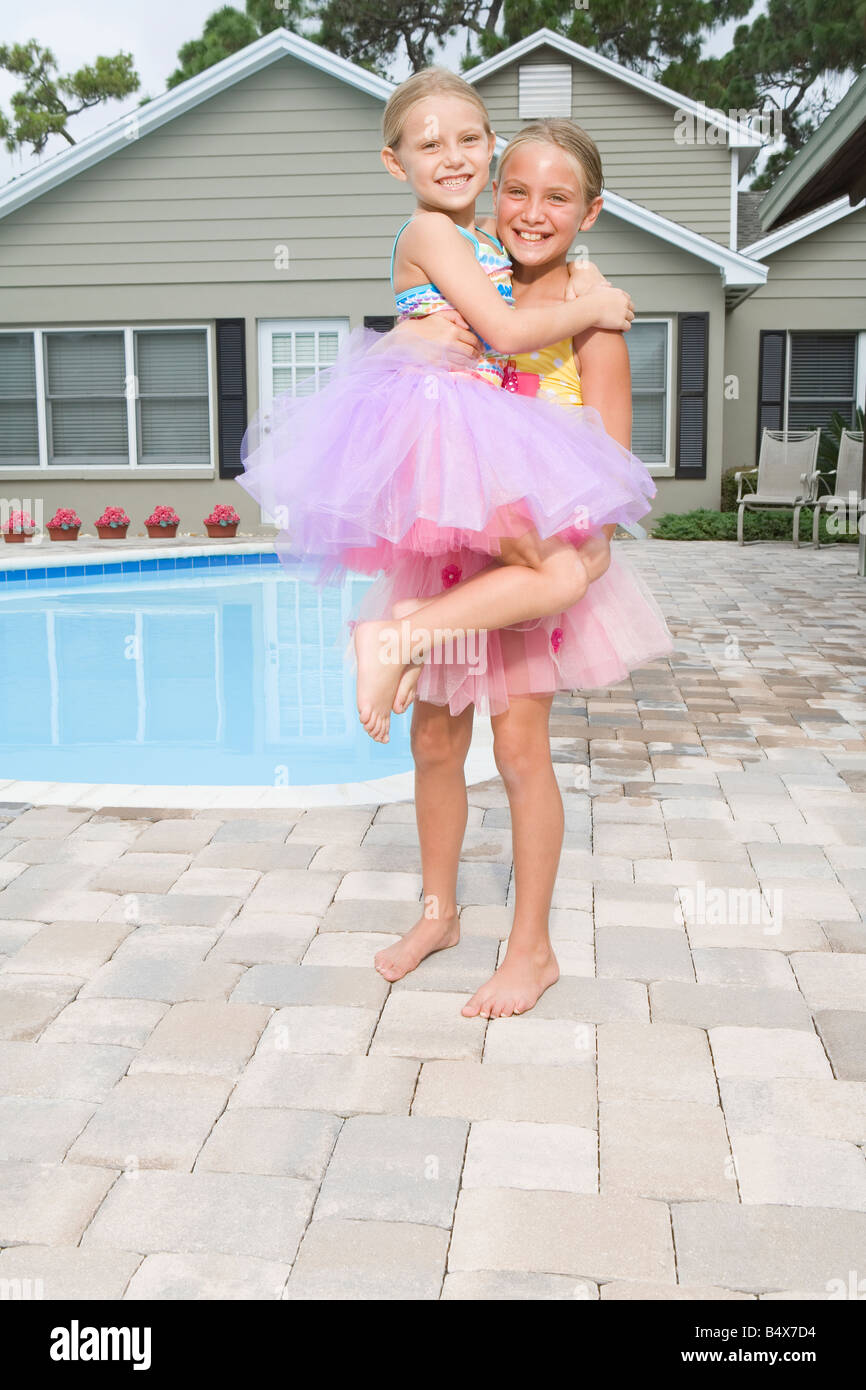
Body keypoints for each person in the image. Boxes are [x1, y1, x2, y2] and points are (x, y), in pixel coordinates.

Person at [236, 68, 658, 745]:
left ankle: (412, 625)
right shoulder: (431, 232)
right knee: (561, 572)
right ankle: (399, 635)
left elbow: (530, 227)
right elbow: (508, 331)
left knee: (565, 571)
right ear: (394, 161)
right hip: (453, 425)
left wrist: (587, 270)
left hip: (470, 422)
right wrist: (598, 302)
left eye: (468, 139)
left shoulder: (480, 235)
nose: (452, 156)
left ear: (489, 146)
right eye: (430, 146)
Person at [370, 118, 674, 1018]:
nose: (532, 212)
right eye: (517, 190)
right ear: (492, 193)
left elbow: (614, 470)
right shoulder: (468, 289)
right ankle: (438, 914)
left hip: (538, 560)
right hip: (452, 553)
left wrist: (581, 554)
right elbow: (402, 384)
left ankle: (531, 948)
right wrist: (399, 347)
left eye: (558, 197)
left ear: (591, 212)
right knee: (433, 740)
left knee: (516, 746)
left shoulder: (593, 323)